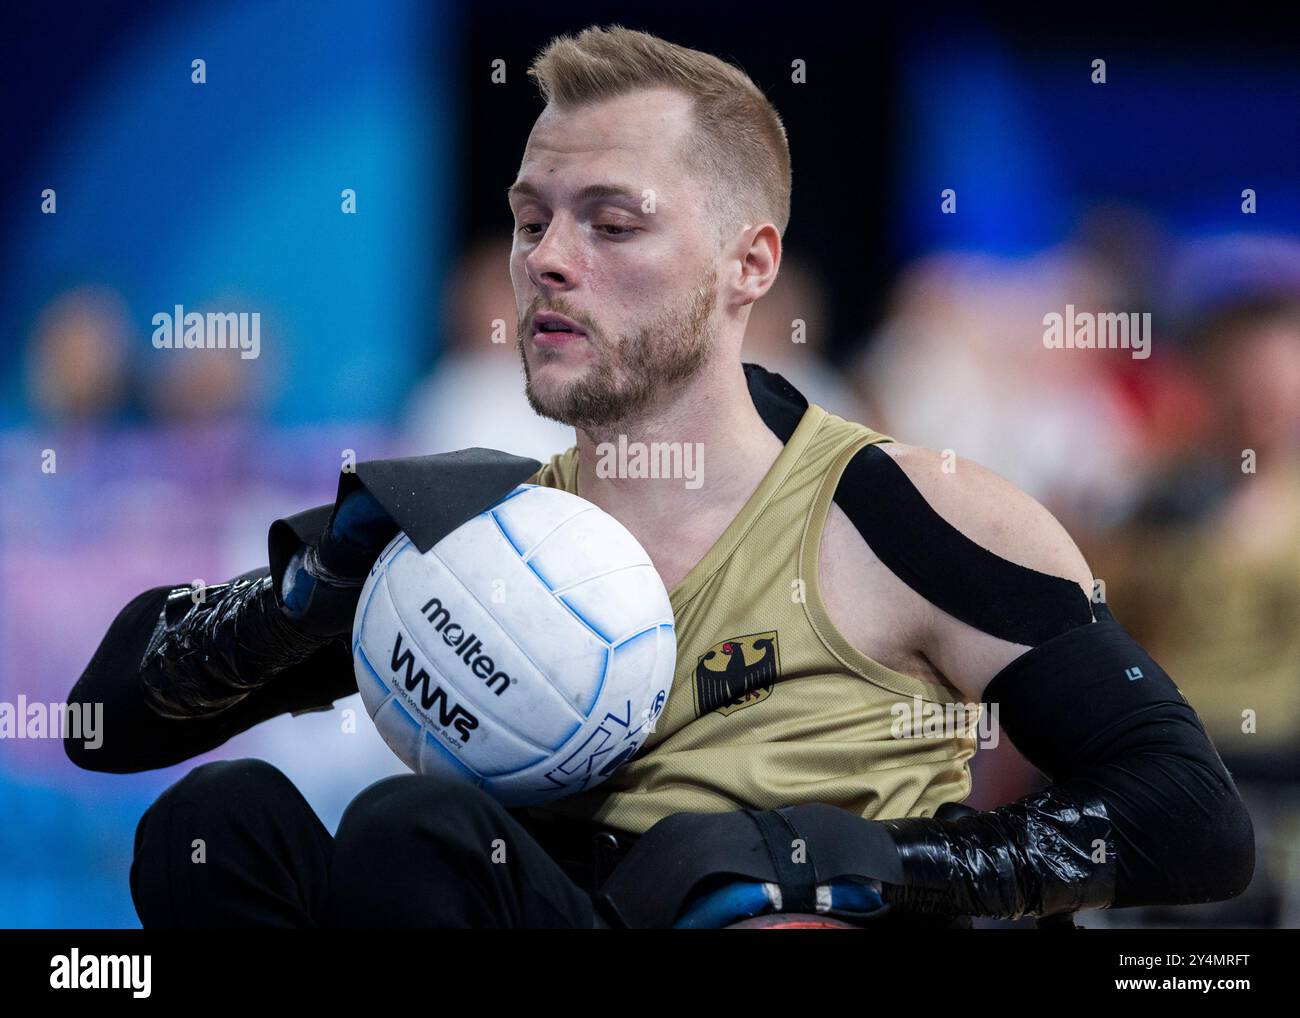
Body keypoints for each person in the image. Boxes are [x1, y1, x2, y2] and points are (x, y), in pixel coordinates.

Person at [67, 24, 1252, 929]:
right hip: (502, 895)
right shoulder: (480, 525)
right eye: (532, 221)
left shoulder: (910, 509)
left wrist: (866, 869)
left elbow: (1191, 819)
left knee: (416, 831)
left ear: (750, 264)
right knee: (217, 829)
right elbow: (100, 725)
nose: (550, 264)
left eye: (612, 223)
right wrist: (302, 597)